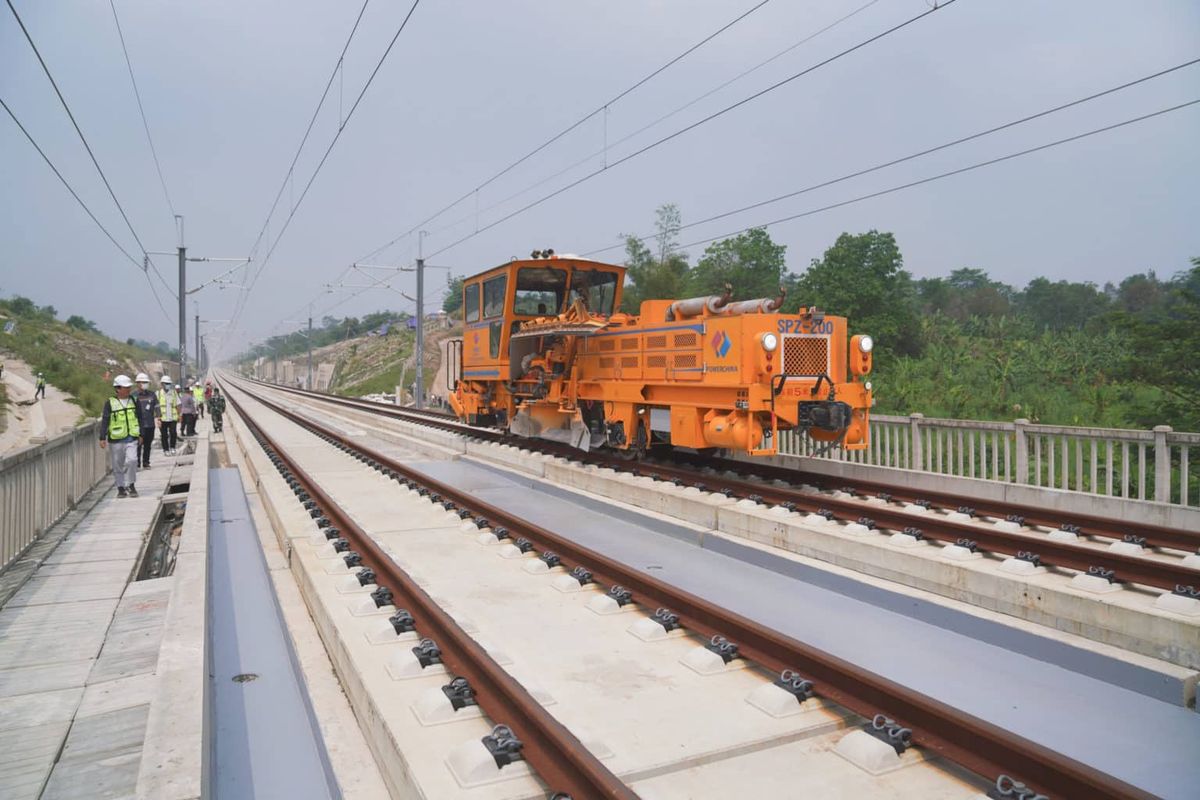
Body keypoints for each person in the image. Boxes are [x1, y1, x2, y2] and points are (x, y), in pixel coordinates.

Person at [99, 374, 141, 498]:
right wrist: (102, 437)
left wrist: (141, 433)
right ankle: (121, 488)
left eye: (129, 387)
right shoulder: (110, 403)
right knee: (118, 465)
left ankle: (131, 484)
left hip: (131, 437)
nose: (128, 389)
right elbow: (105, 420)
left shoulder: (134, 400)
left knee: (132, 460)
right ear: (117, 388)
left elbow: (140, 418)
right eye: (125, 387)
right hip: (116, 440)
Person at [133, 373, 159, 468]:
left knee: (148, 445)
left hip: (150, 424)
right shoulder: (133, 396)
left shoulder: (152, 395)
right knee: (138, 445)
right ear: (138, 383)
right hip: (138, 425)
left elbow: (156, 406)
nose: (145, 384)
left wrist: (159, 418)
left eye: (146, 382)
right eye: (143, 382)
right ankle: (137, 463)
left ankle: (146, 462)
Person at [157, 376, 179, 455]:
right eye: (166, 383)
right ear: (162, 384)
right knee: (164, 435)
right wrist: (158, 419)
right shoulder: (158, 394)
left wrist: (180, 415)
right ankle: (165, 449)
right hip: (163, 418)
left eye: (169, 383)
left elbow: (177, 405)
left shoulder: (173, 393)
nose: (168, 385)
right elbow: (156, 407)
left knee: (173, 433)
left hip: (173, 417)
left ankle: (172, 447)